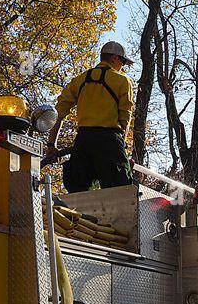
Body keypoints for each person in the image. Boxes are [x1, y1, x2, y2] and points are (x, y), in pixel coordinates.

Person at [47, 41, 135, 193]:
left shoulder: (80, 80)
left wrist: (51, 144)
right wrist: (122, 150)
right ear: (114, 58)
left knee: (78, 192)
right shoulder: (122, 81)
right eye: (122, 62)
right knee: (121, 193)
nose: (123, 66)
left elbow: (58, 114)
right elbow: (124, 119)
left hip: (83, 143)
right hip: (110, 142)